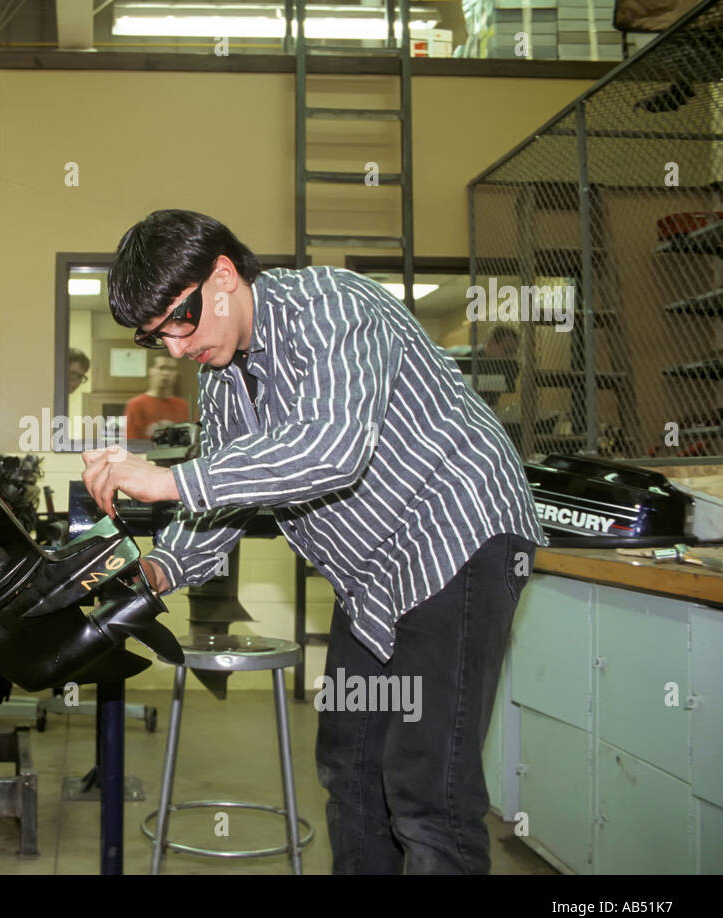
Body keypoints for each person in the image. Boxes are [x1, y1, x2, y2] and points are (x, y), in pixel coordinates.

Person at [80, 209, 546, 875]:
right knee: (350, 769)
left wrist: (169, 479)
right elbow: (231, 498)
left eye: (180, 319)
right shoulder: (220, 380)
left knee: (426, 793)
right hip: (376, 576)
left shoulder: (332, 307)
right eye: (158, 337)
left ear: (223, 275)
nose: (177, 348)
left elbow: (330, 451)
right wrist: (158, 568)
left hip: (459, 536)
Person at [125, 355, 189, 441]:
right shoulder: (136, 405)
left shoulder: (184, 406)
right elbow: (130, 444)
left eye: (171, 369)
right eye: (161, 368)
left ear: (176, 374)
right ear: (150, 371)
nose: (166, 373)